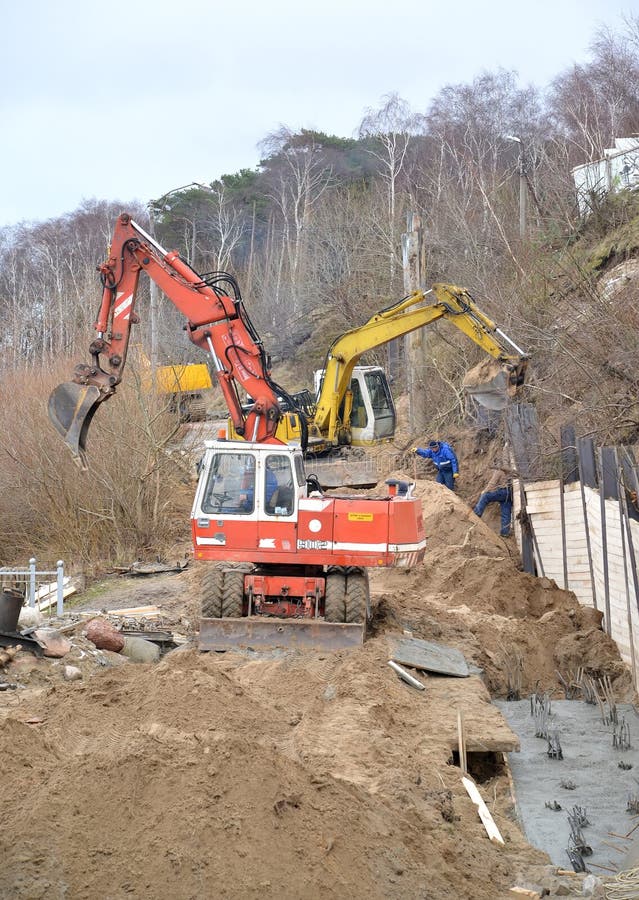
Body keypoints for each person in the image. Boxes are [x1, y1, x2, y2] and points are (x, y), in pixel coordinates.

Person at [473, 446, 517, 537]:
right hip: (509, 494)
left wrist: (485, 491)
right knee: (506, 512)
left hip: (503, 491)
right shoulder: (508, 470)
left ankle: (477, 513)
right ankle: (505, 532)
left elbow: (492, 483)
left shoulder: (499, 471)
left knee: (486, 496)